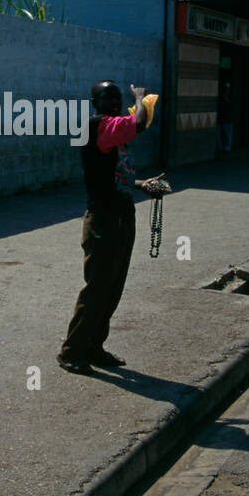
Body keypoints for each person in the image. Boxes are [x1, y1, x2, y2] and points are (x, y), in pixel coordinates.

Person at [58, 80, 163, 375]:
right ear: (95, 102)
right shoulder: (100, 125)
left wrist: (142, 184)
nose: (114, 101)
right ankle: (72, 350)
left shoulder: (111, 132)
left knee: (113, 288)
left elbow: (115, 175)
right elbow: (139, 123)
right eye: (107, 97)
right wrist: (141, 99)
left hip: (120, 215)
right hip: (103, 219)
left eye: (117, 97)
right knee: (97, 288)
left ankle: (93, 346)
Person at [216, 81, 233, 155]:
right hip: (224, 119)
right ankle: (224, 148)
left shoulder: (226, 98)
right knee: (226, 134)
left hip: (225, 119)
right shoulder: (226, 98)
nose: (227, 90)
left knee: (225, 134)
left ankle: (225, 148)